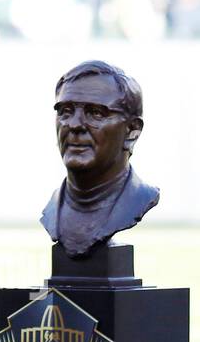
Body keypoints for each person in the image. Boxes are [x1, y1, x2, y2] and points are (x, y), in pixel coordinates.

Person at [42, 60, 160, 258]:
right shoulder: (52, 210)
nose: (75, 125)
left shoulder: (138, 198)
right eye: (66, 111)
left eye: (96, 113)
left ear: (132, 130)